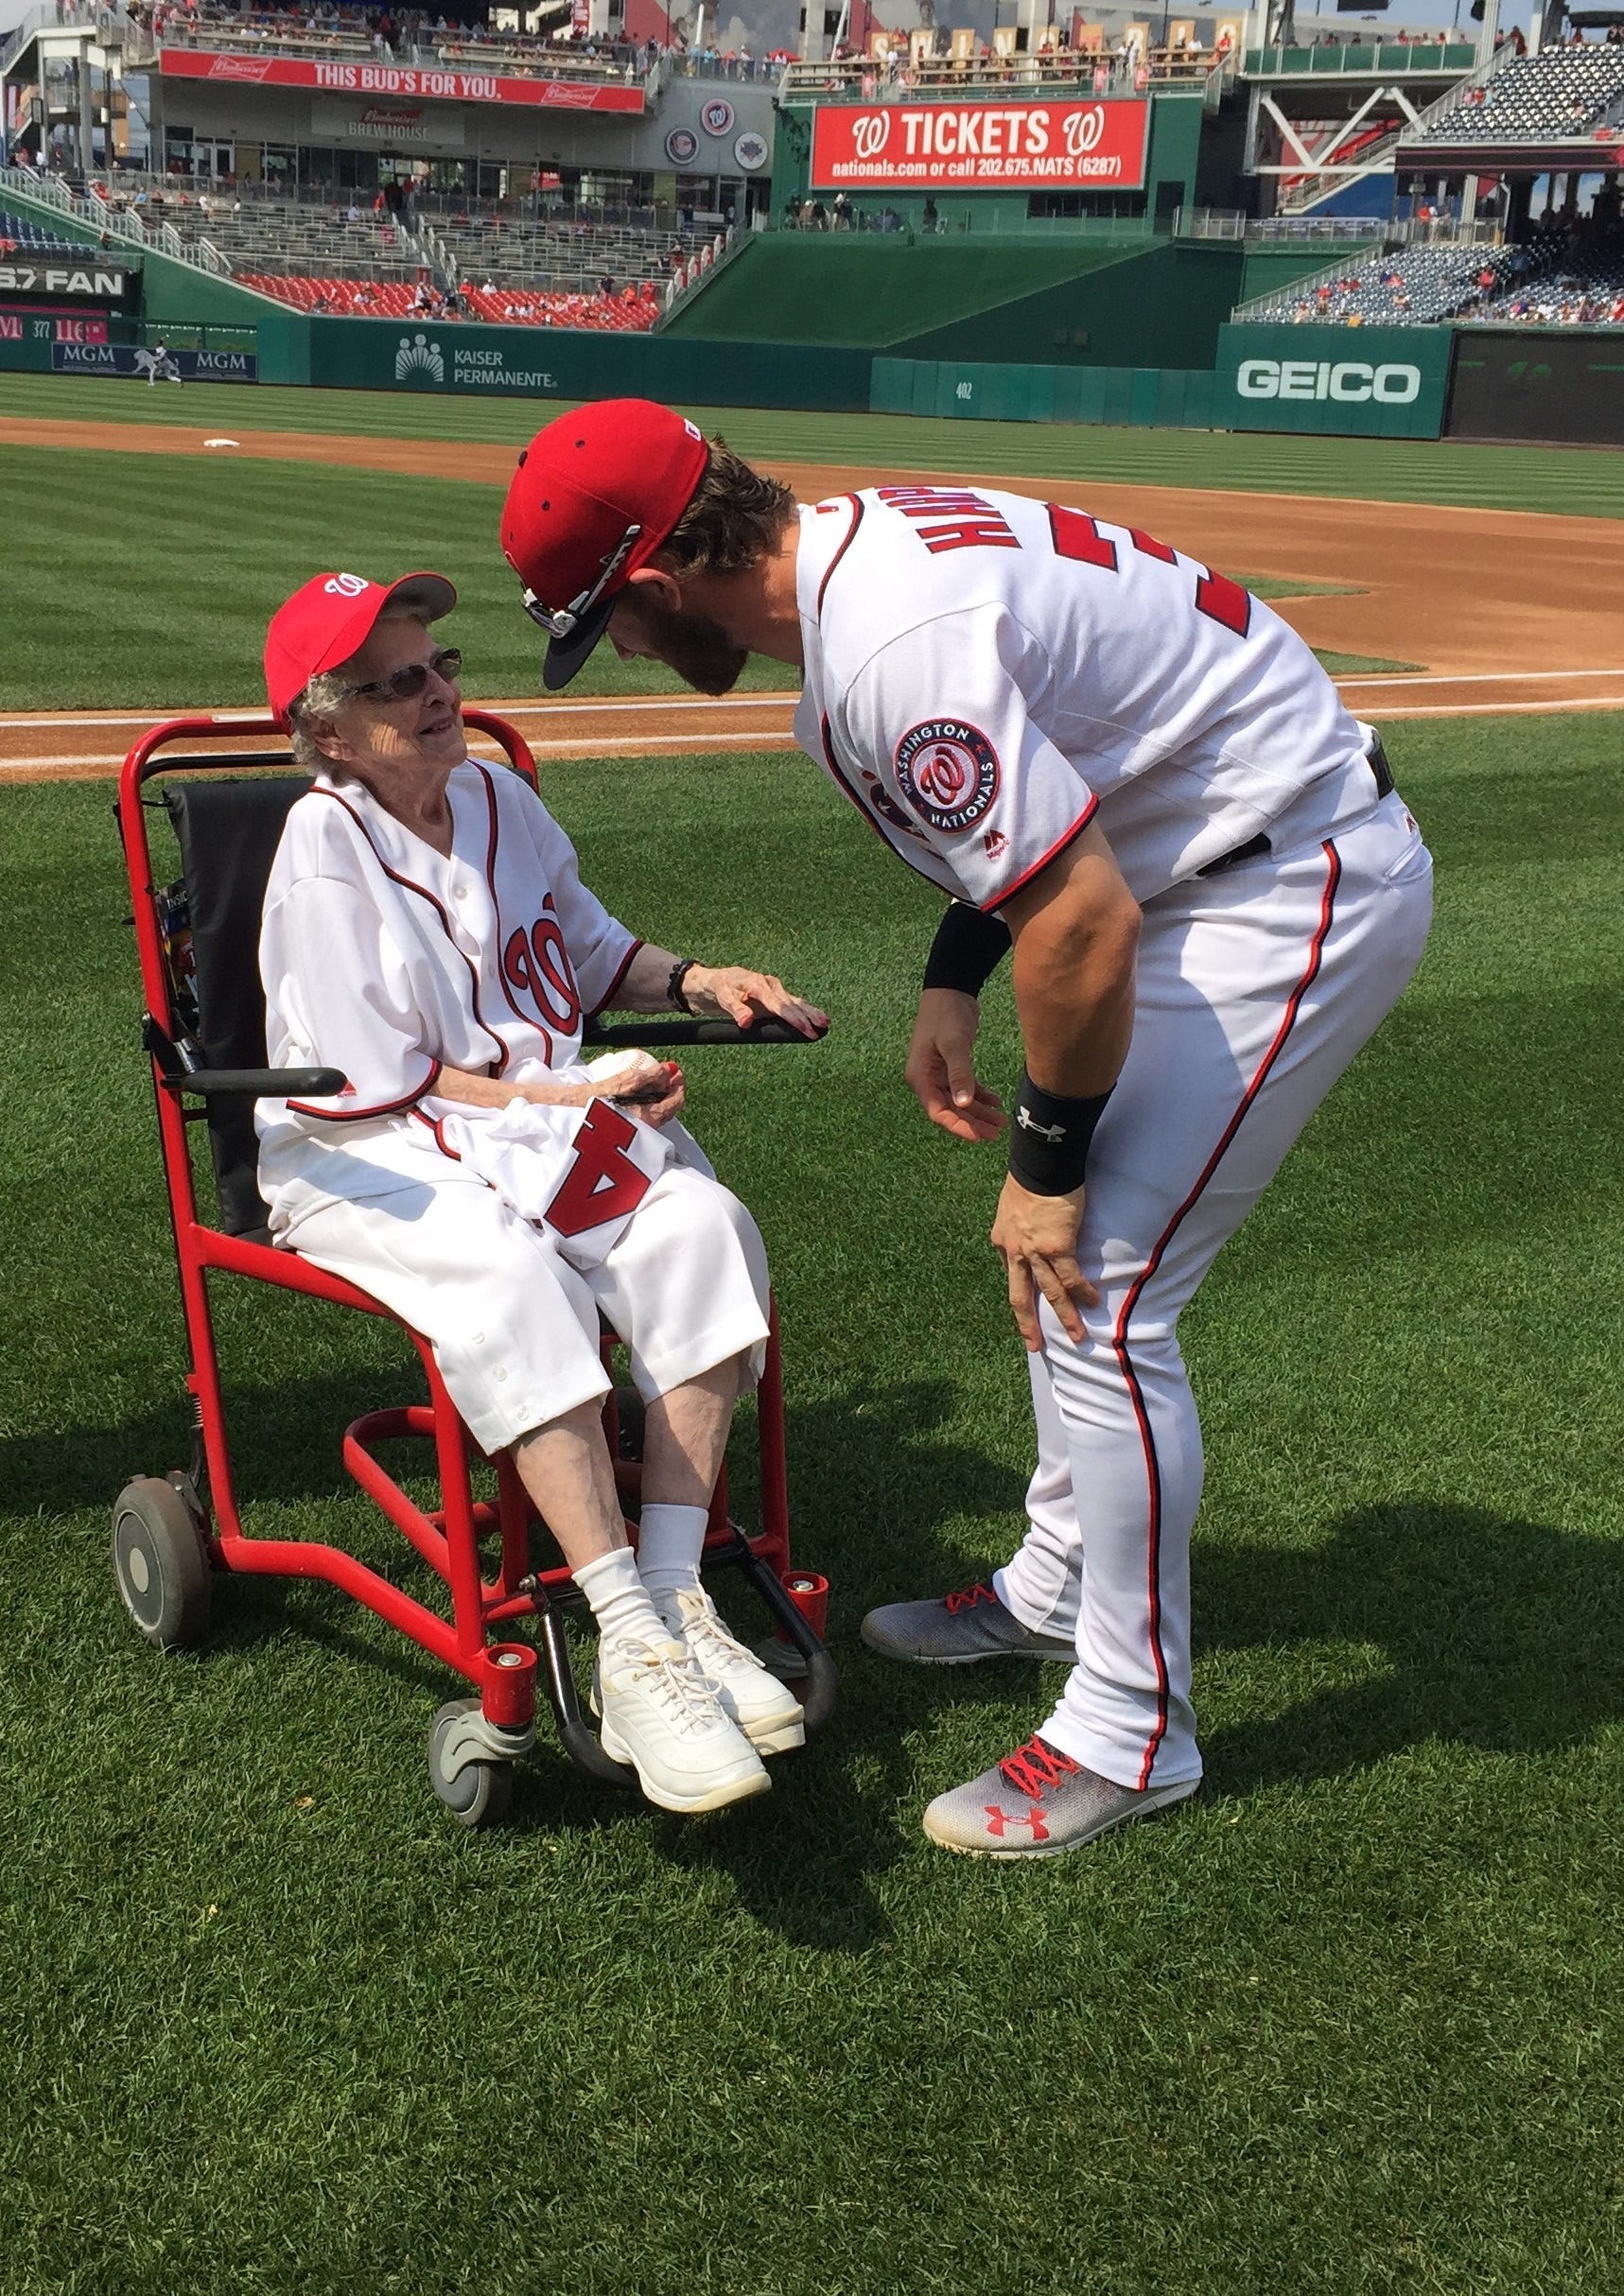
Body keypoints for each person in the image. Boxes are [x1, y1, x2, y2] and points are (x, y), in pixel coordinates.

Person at [498, 401, 1434, 1861]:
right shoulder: (867, 547)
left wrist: (1045, 1168)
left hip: (1280, 879)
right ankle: (1056, 1582)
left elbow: (1080, 918)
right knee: (1065, 1288)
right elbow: (1066, 792)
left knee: (1097, 1290)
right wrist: (952, 976)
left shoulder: (878, 650)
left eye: (602, 626)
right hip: (1208, 849)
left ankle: (1130, 1734)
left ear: (657, 581)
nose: (613, 653)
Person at [256, 568, 829, 1815]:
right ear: (327, 731)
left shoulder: (499, 795)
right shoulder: (320, 847)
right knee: (512, 1280)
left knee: (701, 1226)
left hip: (527, 1127)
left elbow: (585, 947)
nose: (432, 694)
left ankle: (676, 1598)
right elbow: (382, 1084)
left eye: (439, 666)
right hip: (371, 1156)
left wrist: (691, 981)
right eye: (390, 683)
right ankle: (623, 1633)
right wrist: (573, 1100)